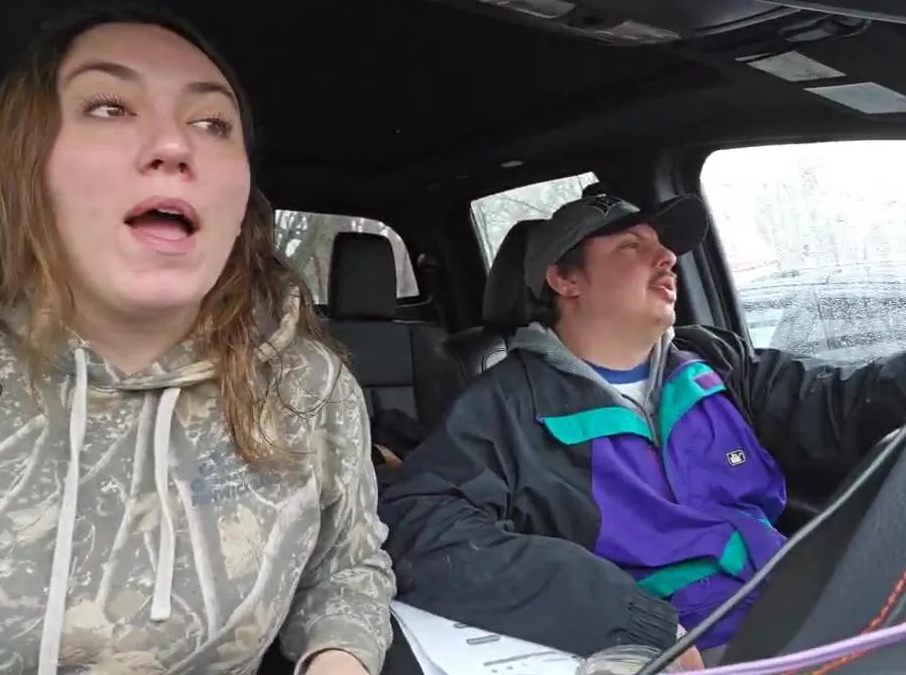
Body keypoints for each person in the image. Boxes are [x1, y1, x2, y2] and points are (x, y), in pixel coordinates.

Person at [0, 3, 394, 674]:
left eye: (212, 123)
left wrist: (339, 658)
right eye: (109, 107)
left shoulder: (308, 388)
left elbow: (346, 568)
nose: (174, 146)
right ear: (27, 165)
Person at [377, 186, 906, 670]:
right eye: (631, 246)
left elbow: (845, 404)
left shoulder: (717, 362)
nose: (667, 257)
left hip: (810, 604)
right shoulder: (505, 406)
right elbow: (420, 524)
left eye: (663, 246)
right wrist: (632, 622)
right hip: (692, 646)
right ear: (565, 280)